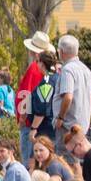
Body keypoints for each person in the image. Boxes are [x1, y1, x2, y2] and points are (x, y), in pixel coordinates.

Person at [17, 31, 55, 163]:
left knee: (30, 161)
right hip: (42, 123)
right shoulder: (51, 74)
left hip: (32, 122)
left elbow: (27, 94)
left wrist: (23, 117)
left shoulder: (34, 69)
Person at [55, 34, 91, 140]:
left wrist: (60, 117)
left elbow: (68, 96)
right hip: (82, 126)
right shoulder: (86, 69)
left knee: (65, 155)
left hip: (68, 126)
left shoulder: (67, 70)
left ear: (61, 51)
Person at [28, 52, 60, 149]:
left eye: (37, 62)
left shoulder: (47, 81)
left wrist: (34, 128)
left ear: (42, 64)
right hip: (53, 127)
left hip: (46, 129)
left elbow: (43, 106)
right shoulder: (57, 77)